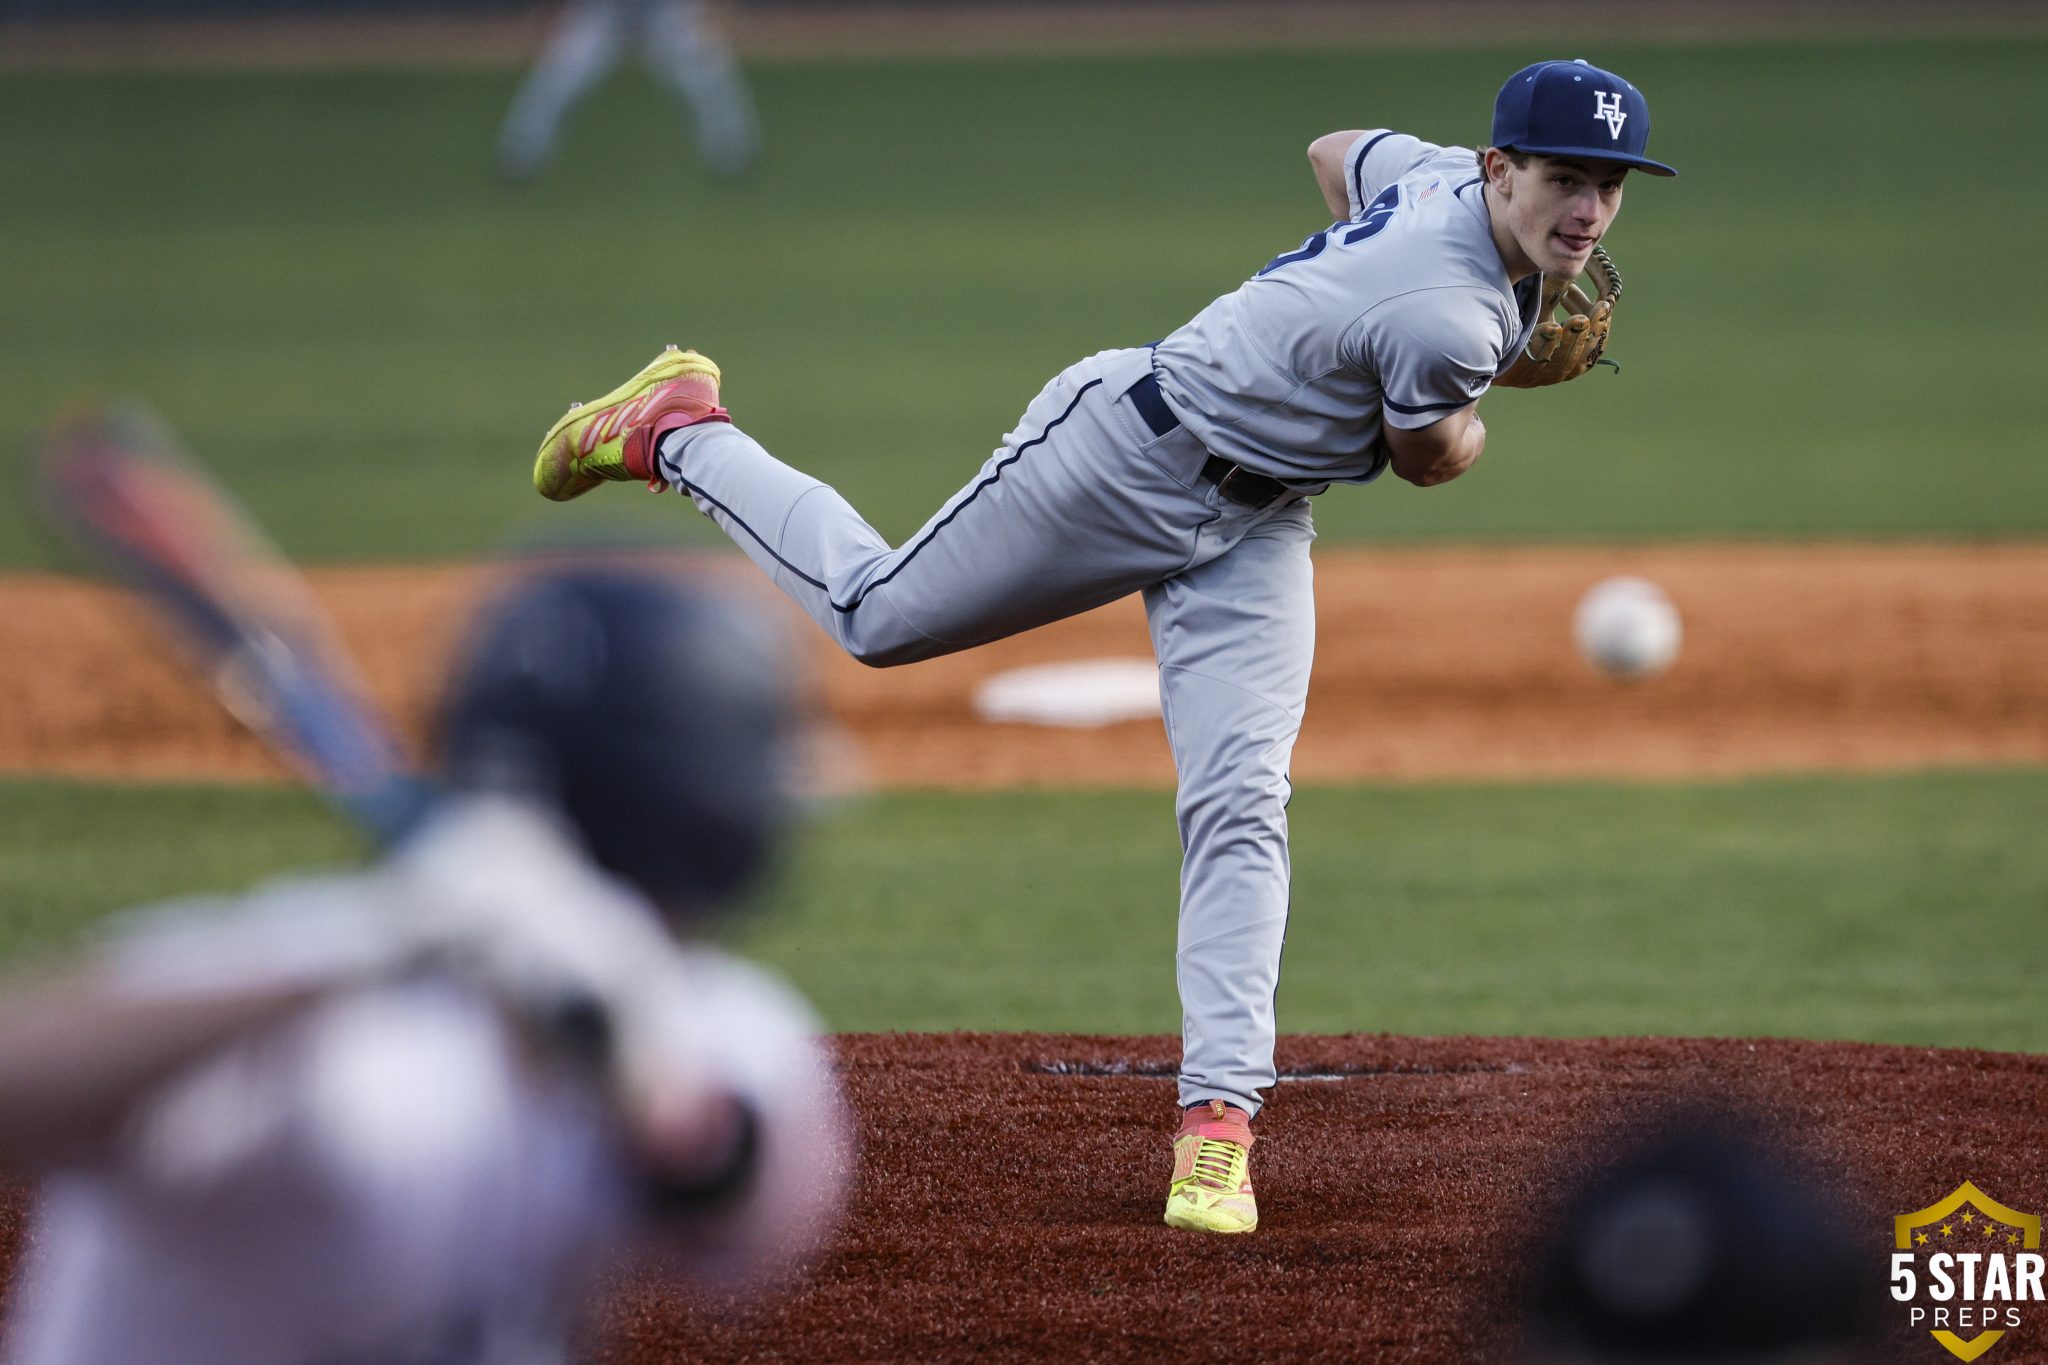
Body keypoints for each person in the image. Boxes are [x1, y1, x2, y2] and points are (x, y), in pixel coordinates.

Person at [527, 59, 1675, 1235]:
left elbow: (1335, 149)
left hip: (1257, 520)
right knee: (875, 617)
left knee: (1241, 799)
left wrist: (1336, 306)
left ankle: (1216, 1132)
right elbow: (1434, 458)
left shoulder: (1431, 172)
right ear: (1501, 169)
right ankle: (678, 430)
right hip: (1125, 454)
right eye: (1561, 180)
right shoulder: (1449, 320)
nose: (1584, 212)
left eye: (1608, 187)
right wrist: (1457, 372)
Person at [0, 565, 847, 1364]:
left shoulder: (708, 1021)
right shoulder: (327, 1050)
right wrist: (366, 951)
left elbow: (754, 1214)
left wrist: (652, 1075)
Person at [497, 0, 760, 183]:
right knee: (557, 80)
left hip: (665, 13)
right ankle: (521, 155)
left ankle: (733, 154)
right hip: (603, 13)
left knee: (707, 77)